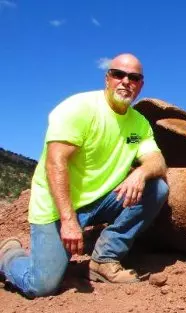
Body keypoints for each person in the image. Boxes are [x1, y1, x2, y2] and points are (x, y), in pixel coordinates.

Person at [0, 53, 169, 298]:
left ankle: (104, 259)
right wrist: (69, 221)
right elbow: (55, 162)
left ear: (140, 85)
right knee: (41, 285)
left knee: (157, 188)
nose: (125, 81)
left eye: (133, 77)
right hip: (59, 207)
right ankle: (9, 255)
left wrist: (141, 172)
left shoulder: (139, 124)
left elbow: (158, 161)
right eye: (118, 74)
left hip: (101, 199)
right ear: (107, 78)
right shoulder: (80, 108)